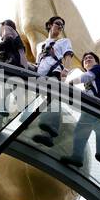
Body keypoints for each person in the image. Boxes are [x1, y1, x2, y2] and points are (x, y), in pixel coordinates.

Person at [60, 50, 100, 170]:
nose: (87, 59)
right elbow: (87, 92)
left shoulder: (99, 69)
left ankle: (78, 156)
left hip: (96, 105)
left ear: (97, 62)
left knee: (81, 130)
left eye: (90, 58)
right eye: (85, 59)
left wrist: (70, 82)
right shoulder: (90, 81)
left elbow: (87, 76)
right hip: (99, 106)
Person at [30, 16, 75, 146]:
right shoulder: (40, 46)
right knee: (50, 99)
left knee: (54, 98)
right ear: (49, 25)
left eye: (62, 25)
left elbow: (68, 55)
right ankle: (48, 133)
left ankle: (50, 131)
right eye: (58, 23)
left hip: (55, 72)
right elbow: (39, 62)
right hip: (40, 75)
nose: (60, 27)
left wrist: (65, 71)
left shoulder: (64, 41)